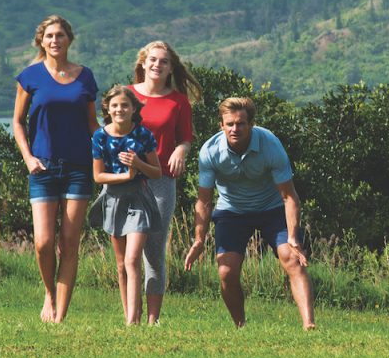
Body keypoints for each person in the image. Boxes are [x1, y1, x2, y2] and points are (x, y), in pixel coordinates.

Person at [183, 97, 316, 329]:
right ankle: (241, 326)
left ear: (251, 124)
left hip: (271, 209)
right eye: (230, 124)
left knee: (293, 259)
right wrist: (198, 239)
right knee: (226, 271)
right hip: (231, 212)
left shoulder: (270, 145)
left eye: (241, 123)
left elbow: (289, 196)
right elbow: (204, 201)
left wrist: (293, 237)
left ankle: (309, 324)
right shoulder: (210, 151)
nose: (235, 129)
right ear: (221, 125)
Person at [12, 15, 98, 323]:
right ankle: (49, 294)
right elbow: (18, 123)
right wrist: (28, 157)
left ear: (69, 39)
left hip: (79, 167)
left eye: (60, 35)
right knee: (44, 242)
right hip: (42, 168)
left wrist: (112, 150)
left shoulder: (84, 77)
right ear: (41, 41)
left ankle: (60, 314)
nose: (55, 40)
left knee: (69, 243)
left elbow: (92, 125)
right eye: (49, 35)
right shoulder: (30, 77)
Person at [128, 41, 201, 324]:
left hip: (162, 181)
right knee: (129, 253)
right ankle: (130, 316)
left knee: (154, 250)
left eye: (164, 61)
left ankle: (153, 319)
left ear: (171, 68)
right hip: (129, 179)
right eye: (153, 60)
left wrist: (181, 150)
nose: (158, 65)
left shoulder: (178, 101)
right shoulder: (128, 95)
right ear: (143, 64)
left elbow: (185, 137)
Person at [89, 86, 163, 325]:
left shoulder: (142, 135)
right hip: (112, 199)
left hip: (139, 199)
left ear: (133, 109)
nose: (120, 110)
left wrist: (138, 164)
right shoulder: (100, 136)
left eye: (124, 105)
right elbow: (98, 176)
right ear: (107, 110)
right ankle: (131, 315)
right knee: (121, 264)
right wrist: (124, 176)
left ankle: (132, 322)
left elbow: (157, 172)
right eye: (115, 106)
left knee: (132, 260)